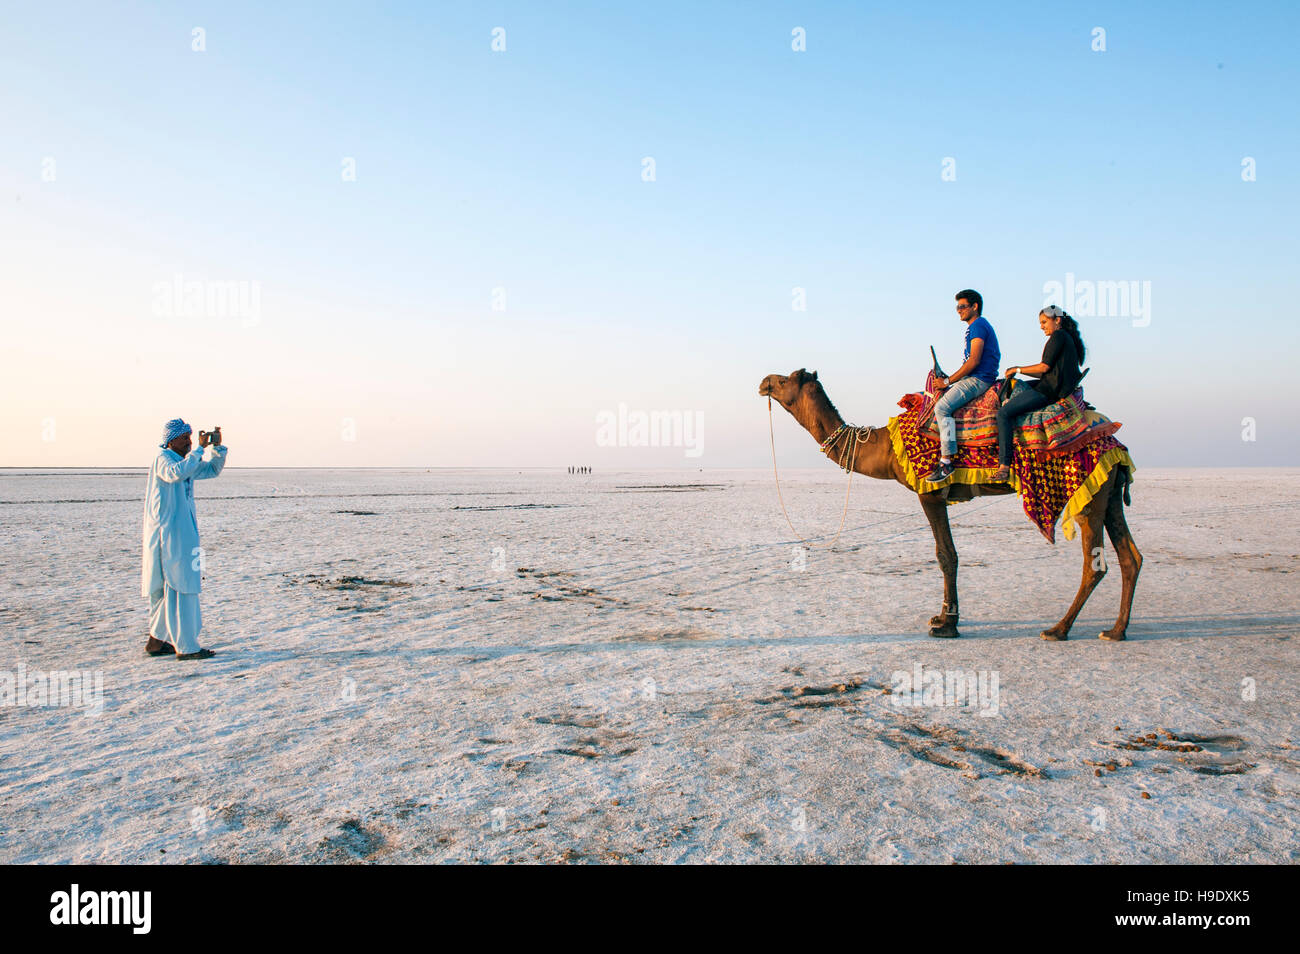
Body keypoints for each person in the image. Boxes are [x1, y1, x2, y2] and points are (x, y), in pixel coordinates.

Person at [141, 419, 228, 660]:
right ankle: (187, 647)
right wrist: (199, 450)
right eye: (184, 438)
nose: (189, 443)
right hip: (169, 536)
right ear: (171, 440)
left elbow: (211, 470)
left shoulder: (184, 462)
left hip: (183, 535)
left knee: (174, 588)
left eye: (190, 438)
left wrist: (216, 449)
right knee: (180, 588)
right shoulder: (165, 460)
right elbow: (174, 475)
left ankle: (156, 642)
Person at [991, 305, 1086, 482]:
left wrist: (1017, 368)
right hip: (1050, 384)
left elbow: (1044, 367)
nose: (1042, 327)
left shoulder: (1058, 336)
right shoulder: (1066, 338)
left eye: (1044, 322)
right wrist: (1018, 373)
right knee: (1015, 386)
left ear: (1057, 320)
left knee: (1003, 413)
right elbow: (1044, 371)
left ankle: (1004, 465)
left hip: (1049, 391)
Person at [925, 289, 1001, 482]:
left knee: (942, 408)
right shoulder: (975, 327)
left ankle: (946, 461)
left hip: (979, 378)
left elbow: (973, 361)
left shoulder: (978, 326)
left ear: (975, 307)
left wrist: (948, 381)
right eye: (957, 307)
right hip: (977, 377)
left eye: (962, 306)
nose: (958, 310)